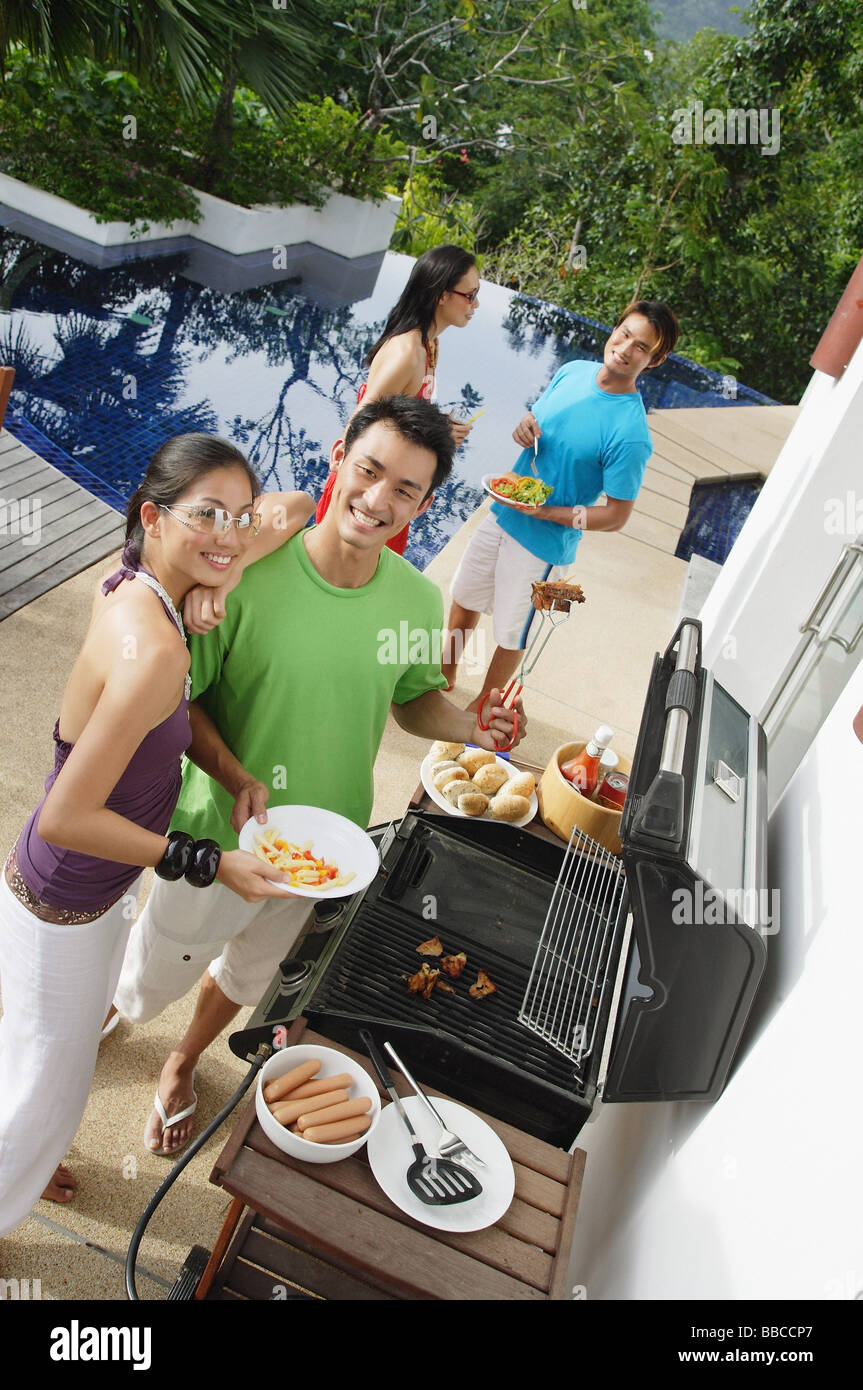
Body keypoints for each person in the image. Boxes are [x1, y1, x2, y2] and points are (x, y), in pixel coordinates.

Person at [112, 395, 524, 1154]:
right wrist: (236, 775)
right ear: (338, 458)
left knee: (245, 979)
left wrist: (472, 725)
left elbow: (411, 700)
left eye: (405, 489)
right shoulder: (244, 576)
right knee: (147, 980)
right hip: (216, 836)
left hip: (328, 849)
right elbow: (183, 697)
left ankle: (181, 1061)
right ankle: (119, 1009)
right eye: (368, 471)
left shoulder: (413, 596)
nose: (378, 499)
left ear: (425, 504)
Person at [0, 434, 313, 1236]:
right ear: (153, 516)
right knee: (51, 1084)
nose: (231, 530)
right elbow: (67, 815)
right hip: (64, 896)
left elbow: (296, 508)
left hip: (81, 890)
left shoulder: (133, 582)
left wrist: (225, 561)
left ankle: (20, 1156)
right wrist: (208, 861)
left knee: (32, 1063)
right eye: (206, 514)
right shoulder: (158, 649)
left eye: (238, 517)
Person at [442, 300, 679, 700]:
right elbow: (539, 425)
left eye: (641, 346)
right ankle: (441, 678)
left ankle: (483, 710)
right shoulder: (572, 372)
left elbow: (617, 515)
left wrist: (546, 512)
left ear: (655, 359)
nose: (624, 348)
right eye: (624, 334)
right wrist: (524, 426)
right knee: (465, 597)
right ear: (615, 328)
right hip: (502, 511)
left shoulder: (631, 433)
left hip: (546, 548)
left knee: (514, 632)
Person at [315, 244, 481, 555]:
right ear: (442, 295)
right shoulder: (407, 353)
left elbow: (396, 412)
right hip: (365, 500)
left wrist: (439, 428)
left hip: (387, 493)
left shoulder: (429, 345)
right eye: (470, 295)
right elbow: (360, 426)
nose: (476, 303)